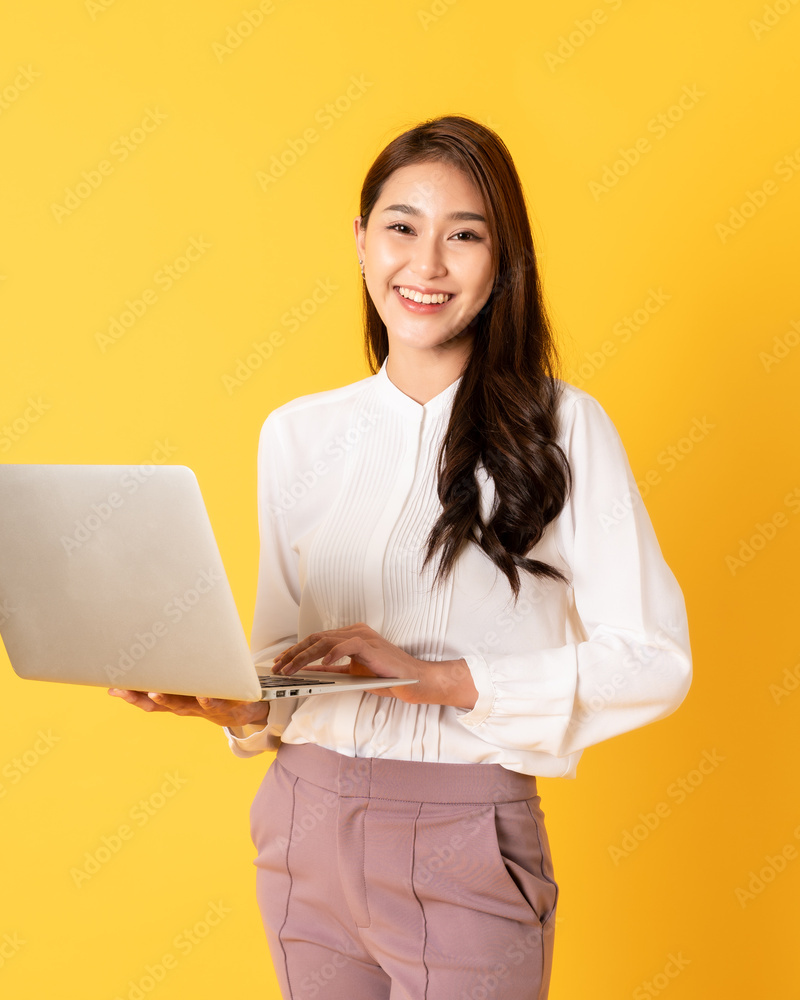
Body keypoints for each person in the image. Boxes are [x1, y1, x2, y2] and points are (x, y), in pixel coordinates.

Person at [109, 114, 693, 1000]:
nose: (425, 266)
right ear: (359, 240)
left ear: (504, 260)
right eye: (401, 227)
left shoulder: (563, 429)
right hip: (301, 827)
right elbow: (283, 672)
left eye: (464, 235)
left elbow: (656, 663)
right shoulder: (296, 435)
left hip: (463, 837)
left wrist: (441, 678)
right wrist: (233, 707)